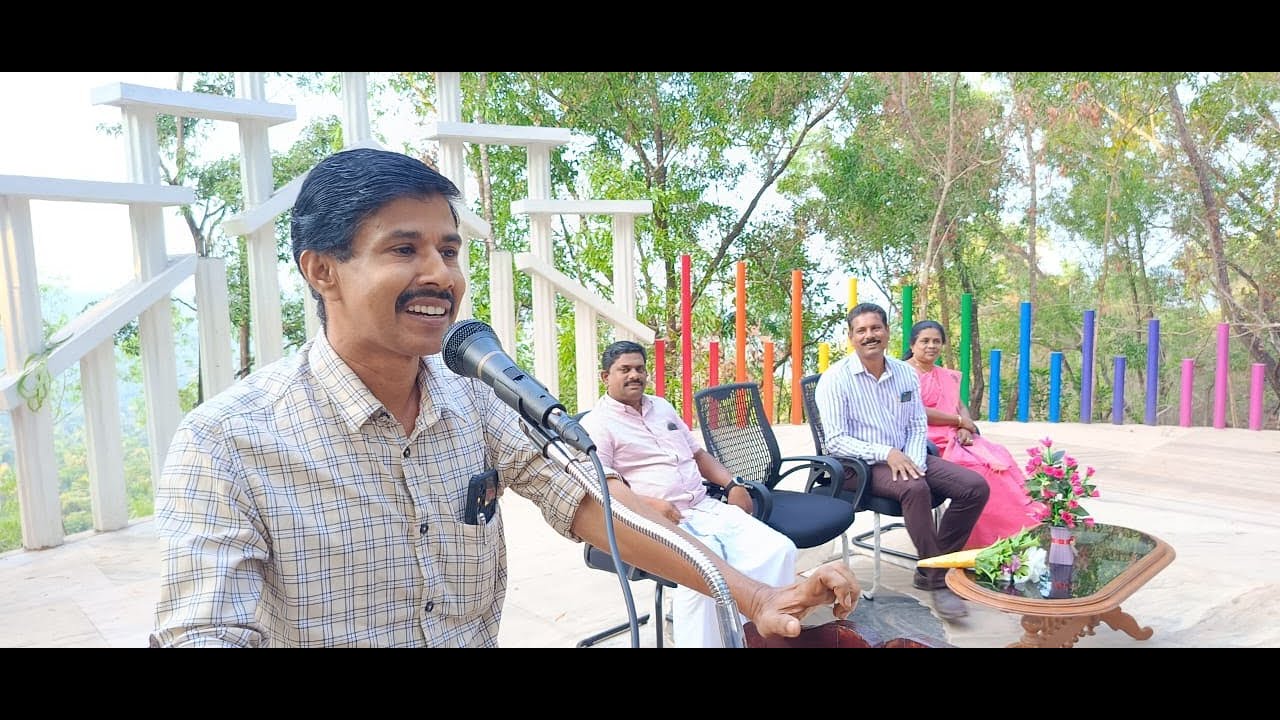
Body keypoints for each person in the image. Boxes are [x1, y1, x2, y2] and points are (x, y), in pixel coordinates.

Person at [148, 147, 858, 647]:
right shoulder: (225, 444)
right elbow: (205, 630)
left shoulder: (476, 399)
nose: (441, 275)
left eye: (449, 251)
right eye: (404, 249)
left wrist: (757, 595)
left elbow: (591, 503)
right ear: (321, 270)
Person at [579, 341, 811, 648]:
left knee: (779, 550)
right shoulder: (597, 424)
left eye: (639, 368)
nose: (634, 375)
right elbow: (595, 487)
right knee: (708, 577)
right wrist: (649, 506)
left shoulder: (662, 407)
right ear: (605, 376)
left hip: (703, 506)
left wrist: (732, 484)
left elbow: (698, 453)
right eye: (625, 369)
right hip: (653, 521)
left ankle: (757, 638)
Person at [814, 302, 989, 621]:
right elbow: (836, 441)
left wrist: (914, 459)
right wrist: (888, 454)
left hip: (906, 455)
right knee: (915, 488)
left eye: (875, 328)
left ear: (887, 331)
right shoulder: (835, 379)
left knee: (974, 487)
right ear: (851, 337)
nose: (869, 335)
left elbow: (917, 424)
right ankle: (937, 581)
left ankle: (932, 565)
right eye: (861, 330)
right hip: (858, 465)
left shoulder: (905, 373)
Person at [904, 320, 1038, 550]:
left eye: (937, 341)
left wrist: (965, 427)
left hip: (955, 435)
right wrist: (958, 422)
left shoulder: (944, 375)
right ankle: (982, 543)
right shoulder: (903, 373)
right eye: (925, 341)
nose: (931, 346)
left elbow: (960, 405)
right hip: (925, 441)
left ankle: (1018, 533)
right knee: (981, 471)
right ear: (912, 344)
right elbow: (914, 411)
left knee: (1000, 459)